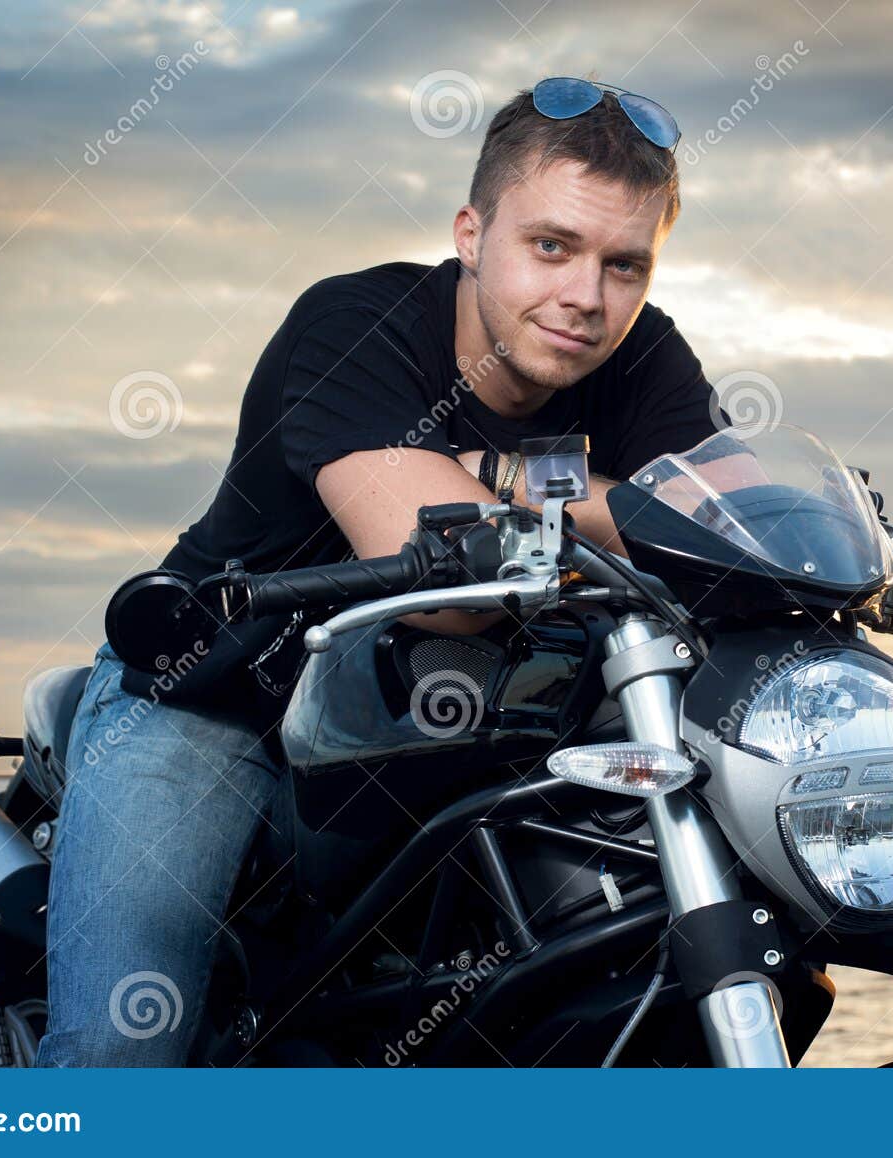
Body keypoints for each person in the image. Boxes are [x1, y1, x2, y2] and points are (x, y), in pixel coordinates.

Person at [35, 78, 724, 1065]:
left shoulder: (643, 356)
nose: (586, 296)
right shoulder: (354, 326)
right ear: (471, 233)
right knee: (121, 1053)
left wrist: (504, 474)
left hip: (442, 733)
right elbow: (445, 584)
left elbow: (729, 521)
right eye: (551, 247)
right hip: (216, 698)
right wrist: (624, 511)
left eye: (625, 264)